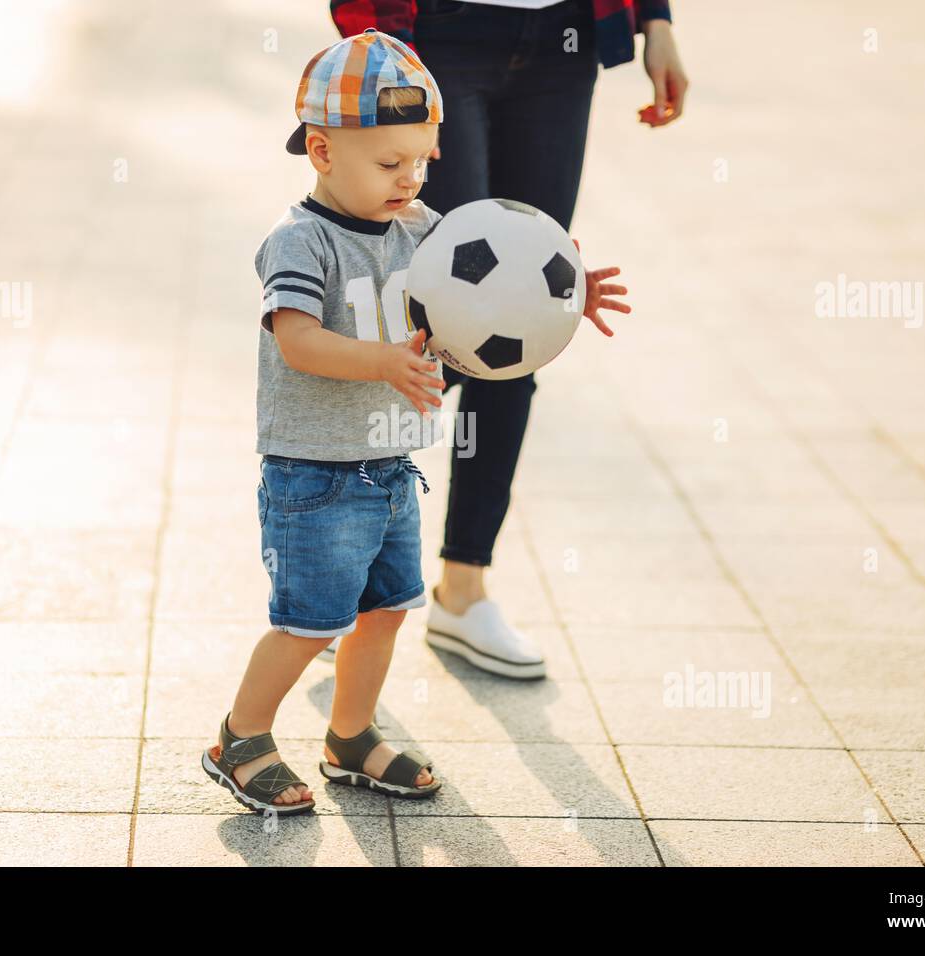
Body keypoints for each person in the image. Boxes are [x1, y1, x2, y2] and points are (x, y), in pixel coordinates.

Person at [202, 29, 630, 813]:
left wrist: (563, 292)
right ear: (323, 151)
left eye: (423, 160)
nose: (412, 179)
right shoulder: (301, 240)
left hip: (392, 466)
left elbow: (496, 288)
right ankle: (243, 736)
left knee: (385, 612)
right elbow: (296, 341)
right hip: (315, 472)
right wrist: (382, 363)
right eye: (390, 163)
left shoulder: (424, 230)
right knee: (309, 621)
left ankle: (351, 736)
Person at [323, 0, 688, 679]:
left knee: (522, 320)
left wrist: (656, 20)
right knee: (429, 323)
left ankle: (463, 589)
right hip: (433, 35)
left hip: (564, 40)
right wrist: (376, 54)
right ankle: (337, 574)